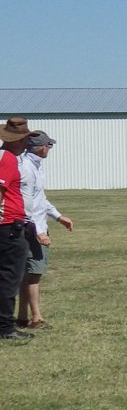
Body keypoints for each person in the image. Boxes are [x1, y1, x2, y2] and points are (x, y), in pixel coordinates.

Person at [17, 130, 73, 329]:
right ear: (43, 147)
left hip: (34, 225)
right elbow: (27, 205)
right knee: (34, 273)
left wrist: (58, 216)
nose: (49, 149)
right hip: (31, 228)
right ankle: (36, 318)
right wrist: (39, 231)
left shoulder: (34, 167)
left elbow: (41, 199)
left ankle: (22, 316)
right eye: (49, 146)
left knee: (27, 273)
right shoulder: (27, 169)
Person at [0, 117, 34, 342]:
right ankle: (4, 326)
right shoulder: (8, 159)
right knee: (9, 277)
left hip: (9, 225)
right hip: (8, 226)